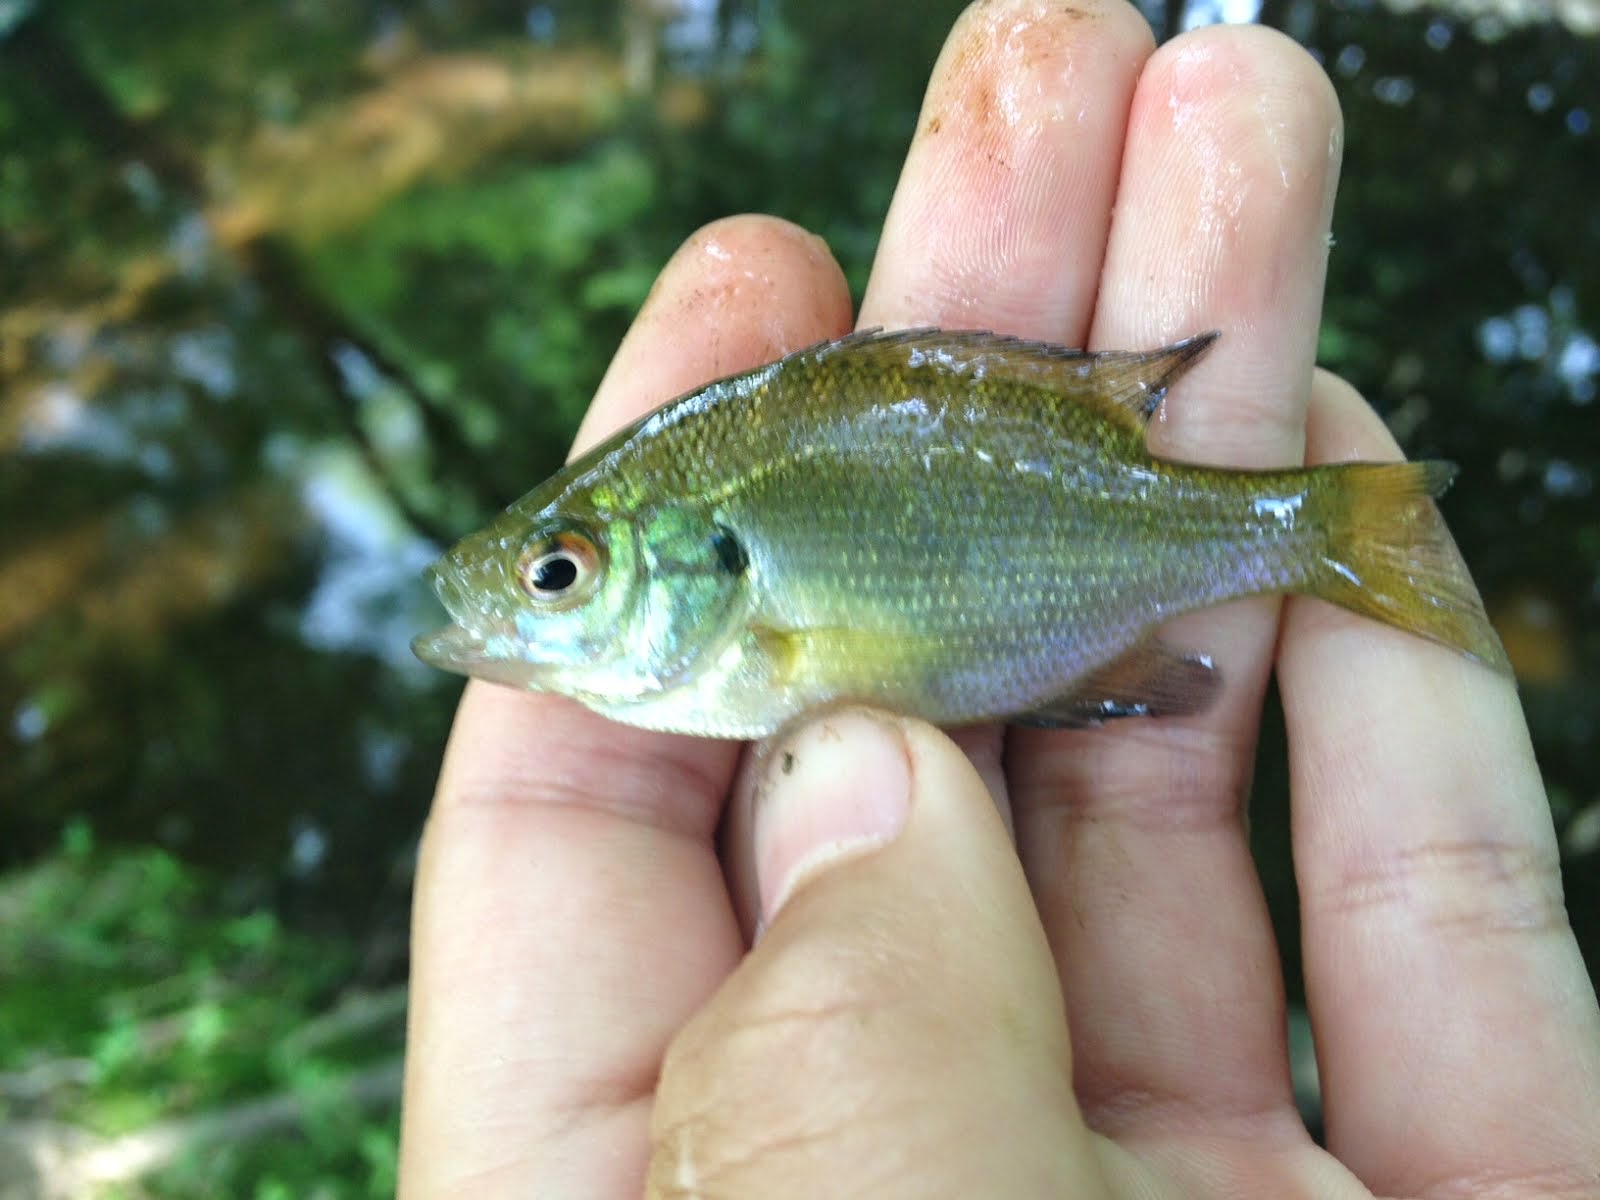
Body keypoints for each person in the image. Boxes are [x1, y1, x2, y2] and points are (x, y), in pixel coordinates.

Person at [397, 3, 1600, 1195]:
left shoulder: (746, 626)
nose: (531, 605)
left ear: (705, 560)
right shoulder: (709, 576)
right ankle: (1328, 524)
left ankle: (1327, 524)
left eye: (559, 575)